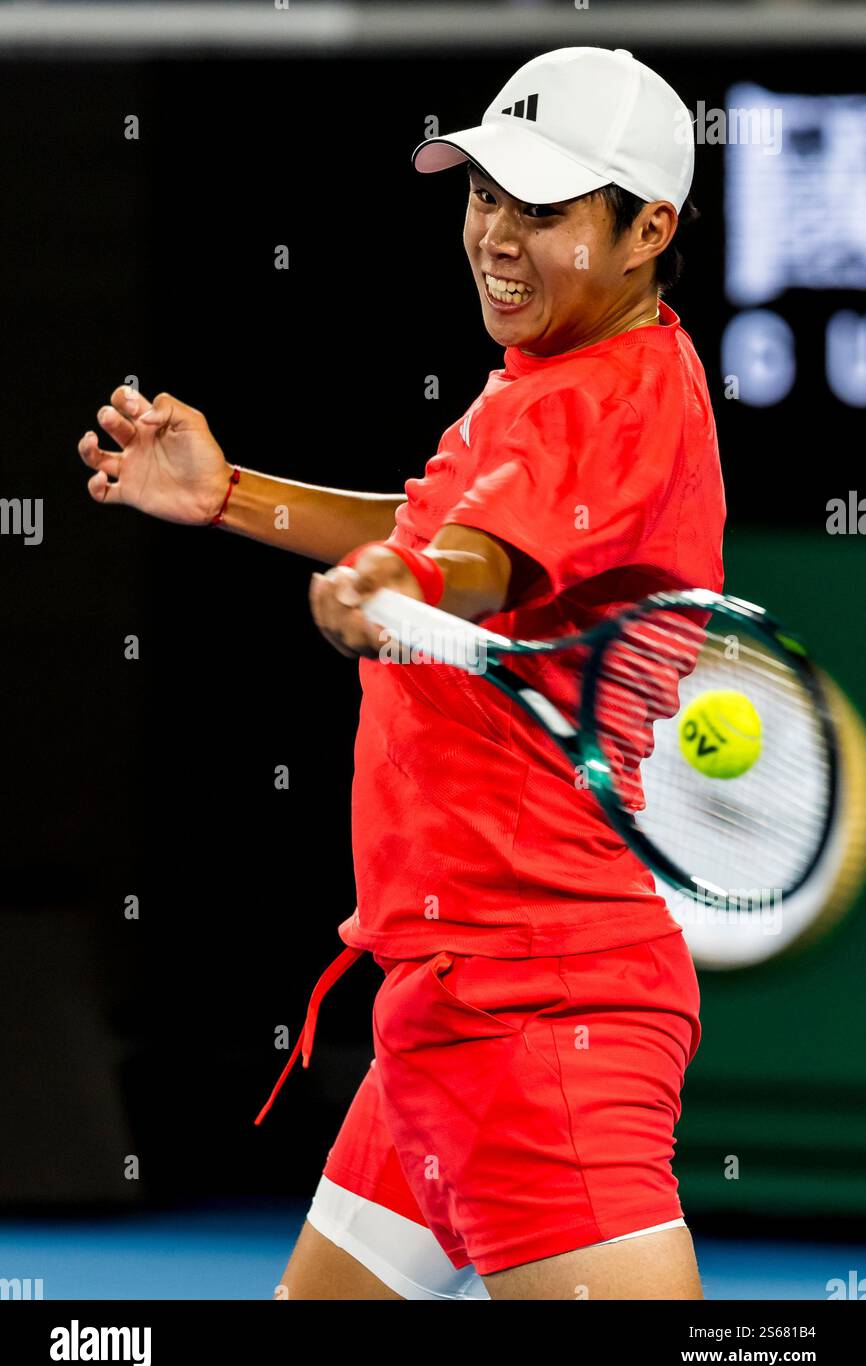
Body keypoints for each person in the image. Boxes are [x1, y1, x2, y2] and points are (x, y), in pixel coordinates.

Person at [77, 47, 724, 1300]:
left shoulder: (597, 402)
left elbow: (470, 562)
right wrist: (231, 499)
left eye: (543, 211)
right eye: (485, 195)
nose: (496, 235)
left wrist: (407, 593)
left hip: (535, 1017)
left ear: (647, 228)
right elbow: (441, 531)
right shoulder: (569, 380)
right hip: (447, 997)